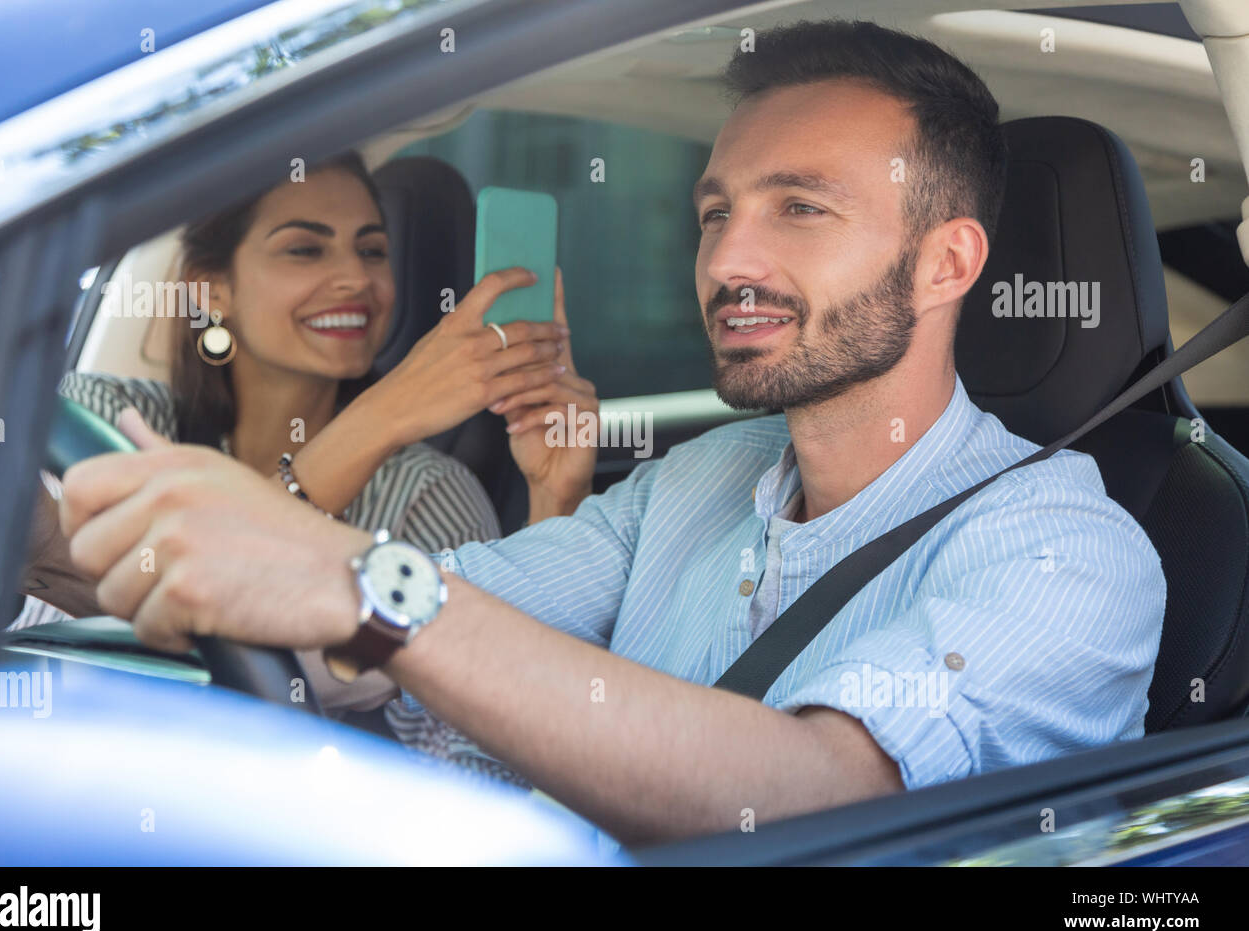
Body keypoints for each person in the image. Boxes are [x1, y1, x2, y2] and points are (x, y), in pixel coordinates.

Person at [58, 21, 1166, 846]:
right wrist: (50, 531)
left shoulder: (1066, 548)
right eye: (714, 212)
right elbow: (429, 623)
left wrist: (364, 584)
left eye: (801, 207)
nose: (730, 260)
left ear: (947, 263)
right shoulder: (694, 482)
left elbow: (817, 793)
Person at [18, 153, 599, 784]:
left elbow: (470, 765)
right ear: (214, 290)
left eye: (374, 251)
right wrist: (384, 413)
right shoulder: (101, 418)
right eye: (305, 250)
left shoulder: (427, 494)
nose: (355, 277)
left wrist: (548, 504)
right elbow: (51, 612)